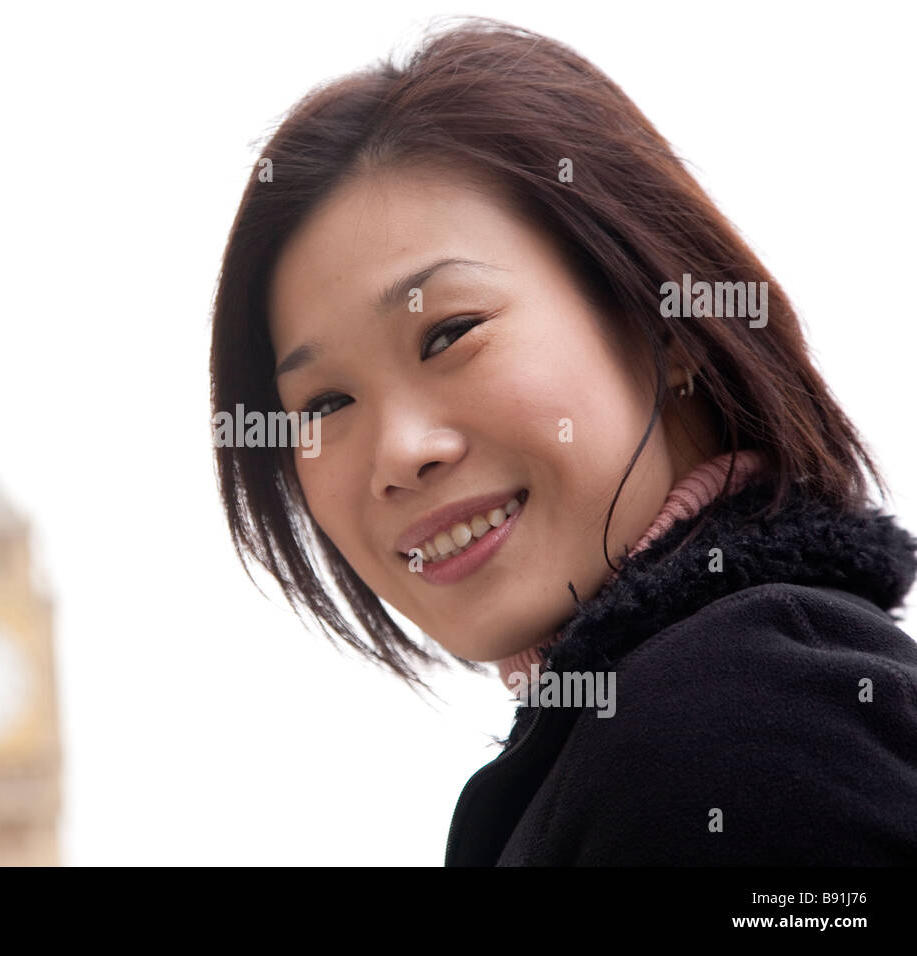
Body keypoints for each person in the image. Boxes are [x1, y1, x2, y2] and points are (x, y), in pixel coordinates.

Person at [208, 17, 917, 864]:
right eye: (323, 404)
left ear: (667, 320)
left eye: (449, 334)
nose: (400, 451)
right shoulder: (668, 718)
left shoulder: (731, 728)